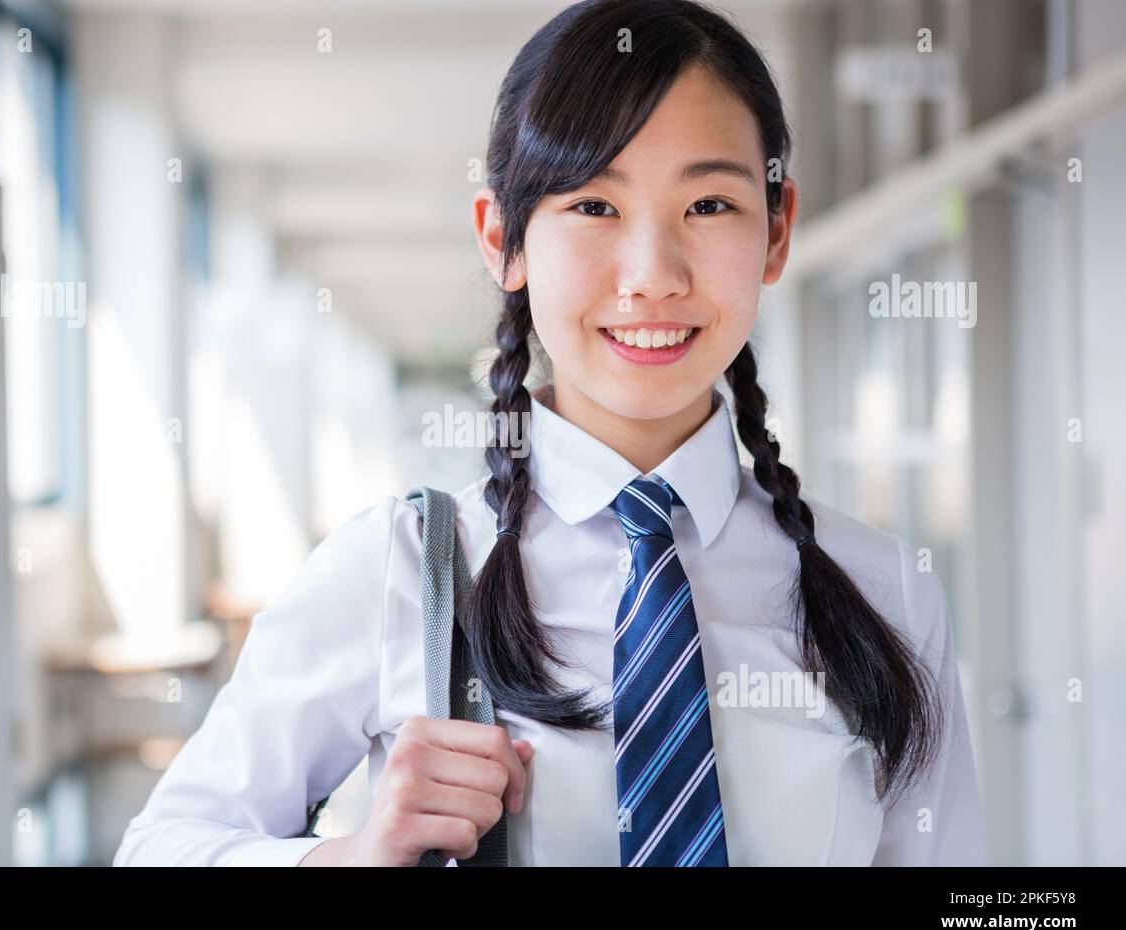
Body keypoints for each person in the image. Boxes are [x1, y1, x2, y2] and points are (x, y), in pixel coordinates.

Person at [113, 0, 989, 867]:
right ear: (505, 240)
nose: (652, 277)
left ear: (777, 229)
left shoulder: (883, 593)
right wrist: (354, 858)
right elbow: (159, 851)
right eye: (594, 207)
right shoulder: (405, 571)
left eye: (711, 205)